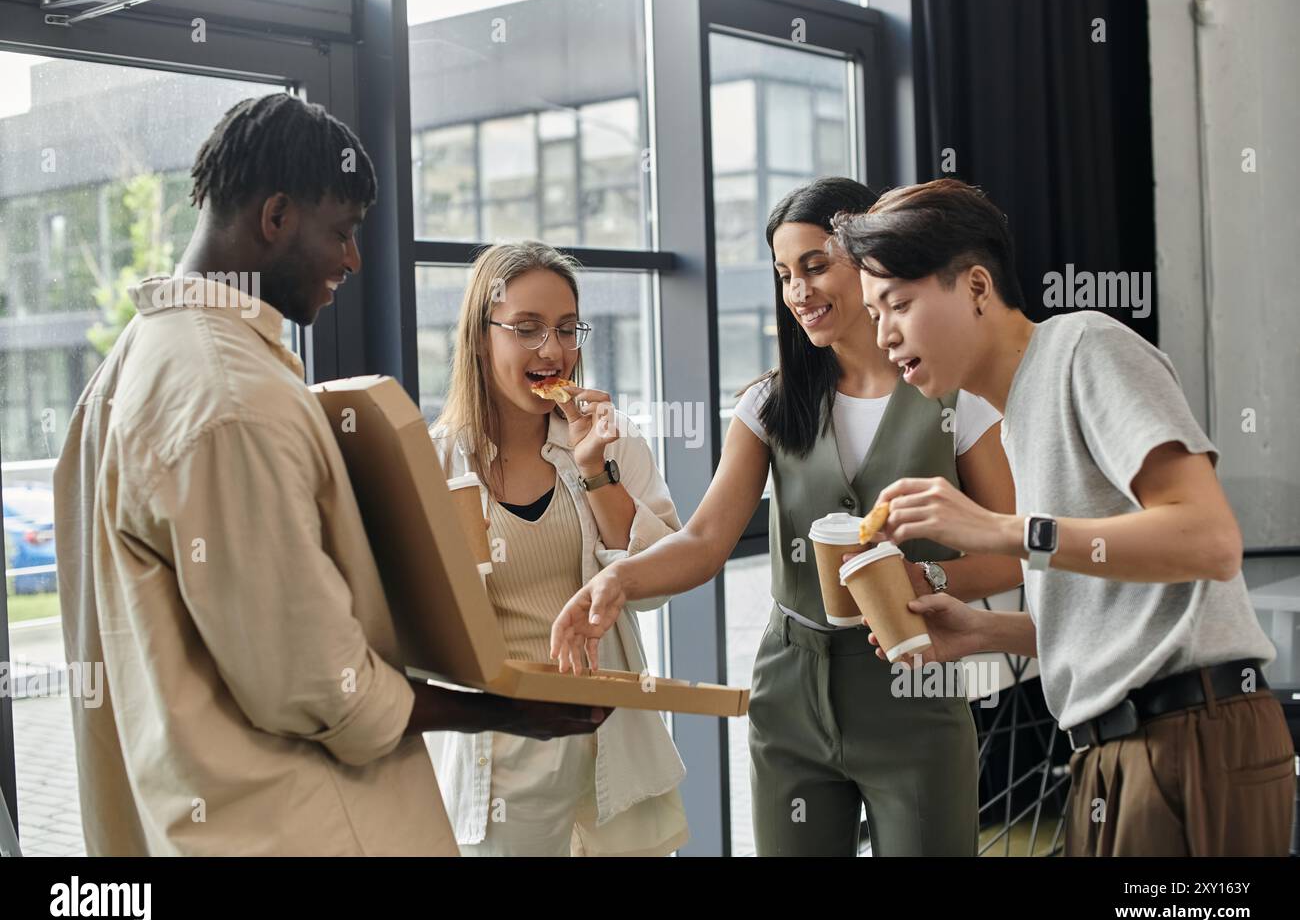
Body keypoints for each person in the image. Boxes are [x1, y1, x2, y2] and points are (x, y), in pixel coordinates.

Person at [52, 93, 607, 857]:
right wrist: (508, 711)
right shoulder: (229, 400)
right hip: (289, 824)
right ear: (276, 216)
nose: (352, 260)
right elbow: (319, 687)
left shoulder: (128, 370)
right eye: (341, 232)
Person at [551, 178, 1023, 855]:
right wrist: (616, 583)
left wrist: (927, 584)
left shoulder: (956, 395)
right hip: (790, 699)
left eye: (815, 264)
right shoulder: (770, 406)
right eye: (783, 274)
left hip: (916, 693)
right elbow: (706, 540)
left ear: (868, 261)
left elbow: (1011, 552)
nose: (798, 290)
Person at [834, 177, 1291, 856]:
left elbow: (1210, 539)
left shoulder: (1083, 346)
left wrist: (1001, 530)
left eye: (898, 304)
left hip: (1190, 738)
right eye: (873, 315)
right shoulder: (1017, 415)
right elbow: (1122, 613)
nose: (885, 335)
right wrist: (985, 631)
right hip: (1116, 751)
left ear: (978, 287)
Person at [427, 241, 689, 856]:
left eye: (568, 329)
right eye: (528, 329)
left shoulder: (613, 443)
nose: (553, 350)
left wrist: (595, 469)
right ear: (479, 337)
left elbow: (663, 582)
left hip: (612, 747)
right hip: (503, 760)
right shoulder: (438, 463)